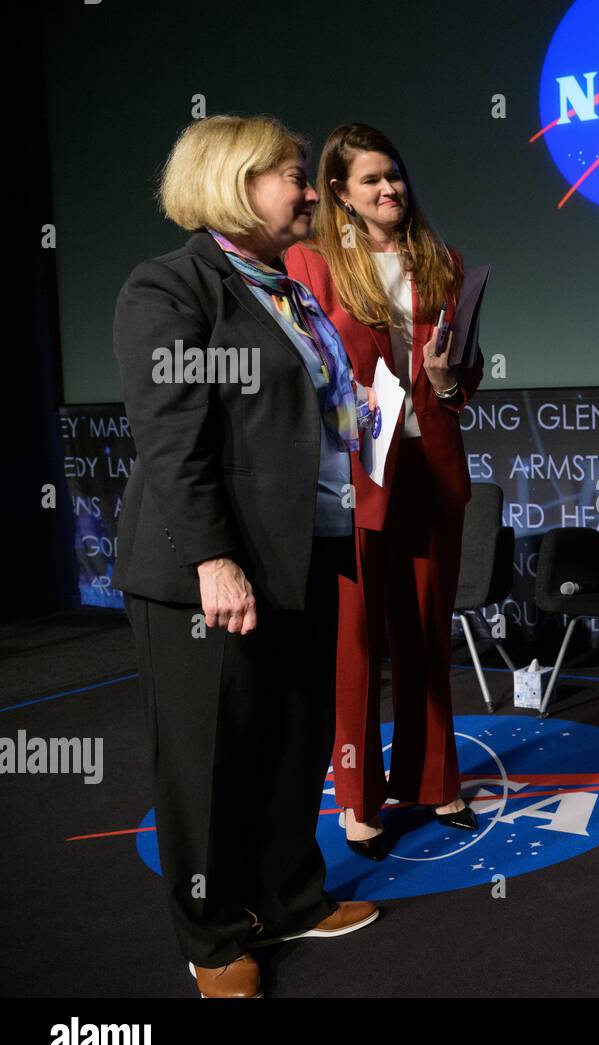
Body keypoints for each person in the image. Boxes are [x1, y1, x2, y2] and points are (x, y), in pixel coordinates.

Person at [114, 114, 380, 998]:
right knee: (208, 757)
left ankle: (290, 895)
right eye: (294, 176)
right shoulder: (170, 287)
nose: (311, 191)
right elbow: (171, 438)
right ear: (234, 183)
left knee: (291, 741)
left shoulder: (286, 288)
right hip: (207, 570)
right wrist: (213, 559)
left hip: (301, 553)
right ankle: (213, 931)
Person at [284, 124, 482, 860]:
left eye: (394, 176)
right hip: (355, 477)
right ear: (339, 191)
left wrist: (447, 380)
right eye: (370, 180)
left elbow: (467, 369)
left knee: (427, 631)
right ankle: (358, 800)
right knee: (357, 642)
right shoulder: (311, 264)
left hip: (431, 468)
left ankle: (436, 781)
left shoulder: (443, 262)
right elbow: (304, 368)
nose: (389, 189)